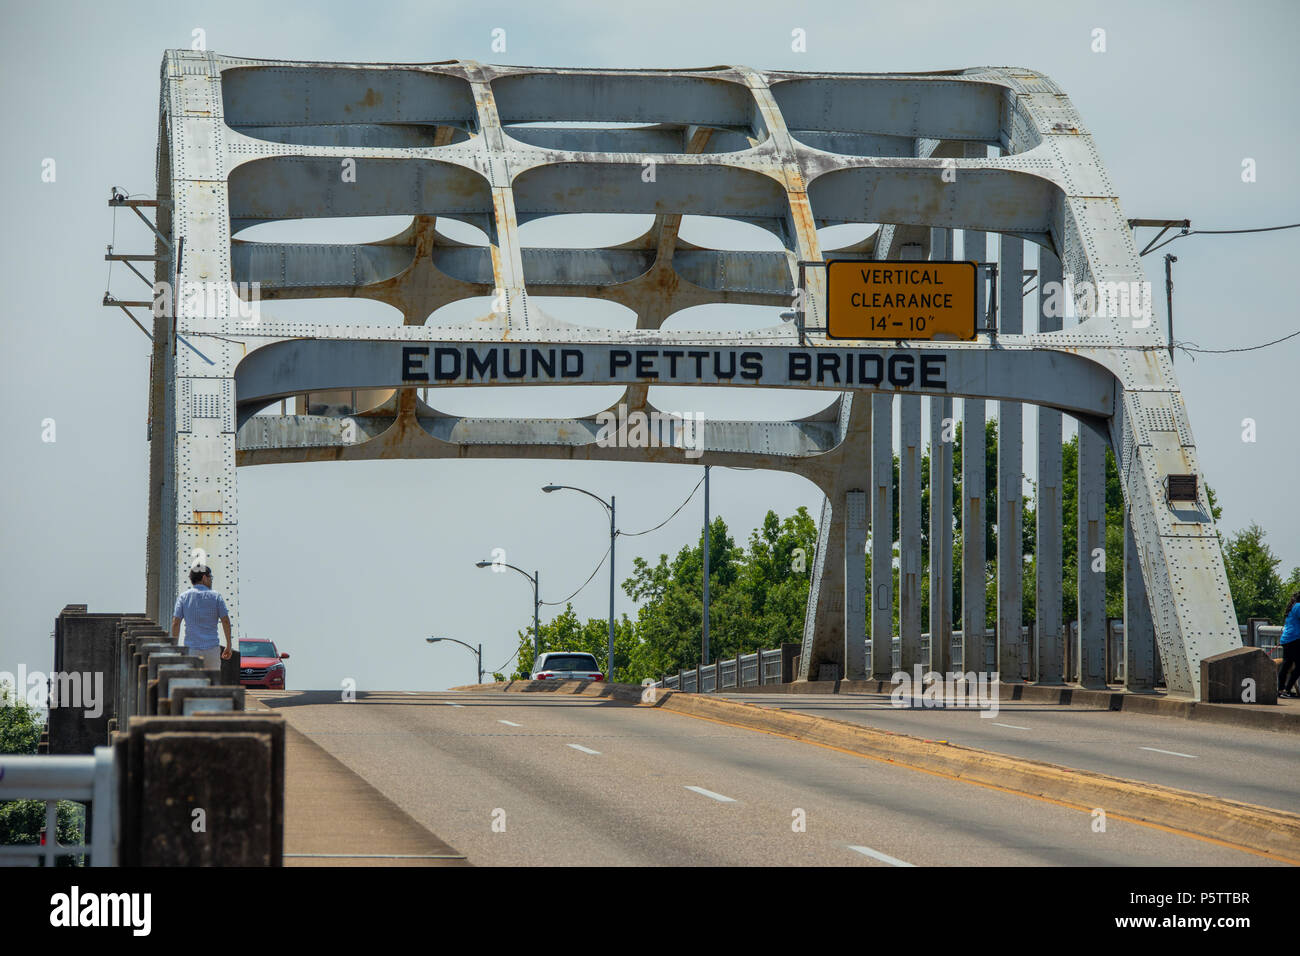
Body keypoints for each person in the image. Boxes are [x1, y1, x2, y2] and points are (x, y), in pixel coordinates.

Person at [170, 564, 233, 672]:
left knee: (192, 684)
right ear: (204, 578)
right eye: (210, 578)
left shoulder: (184, 597)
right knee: (213, 684)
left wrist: (175, 647)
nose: (211, 581)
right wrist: (228, 645)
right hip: (212, 649)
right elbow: (225, 621)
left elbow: (176, 622)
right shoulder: (216, 596)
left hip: (191, 649)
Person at [1278, 591, 1300, 698]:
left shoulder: (1292, 607)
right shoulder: (1299, 607)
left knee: (1286, 665)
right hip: (1295, 639)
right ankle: (1287, 690)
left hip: (1286, 639)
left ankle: (1281, 690)